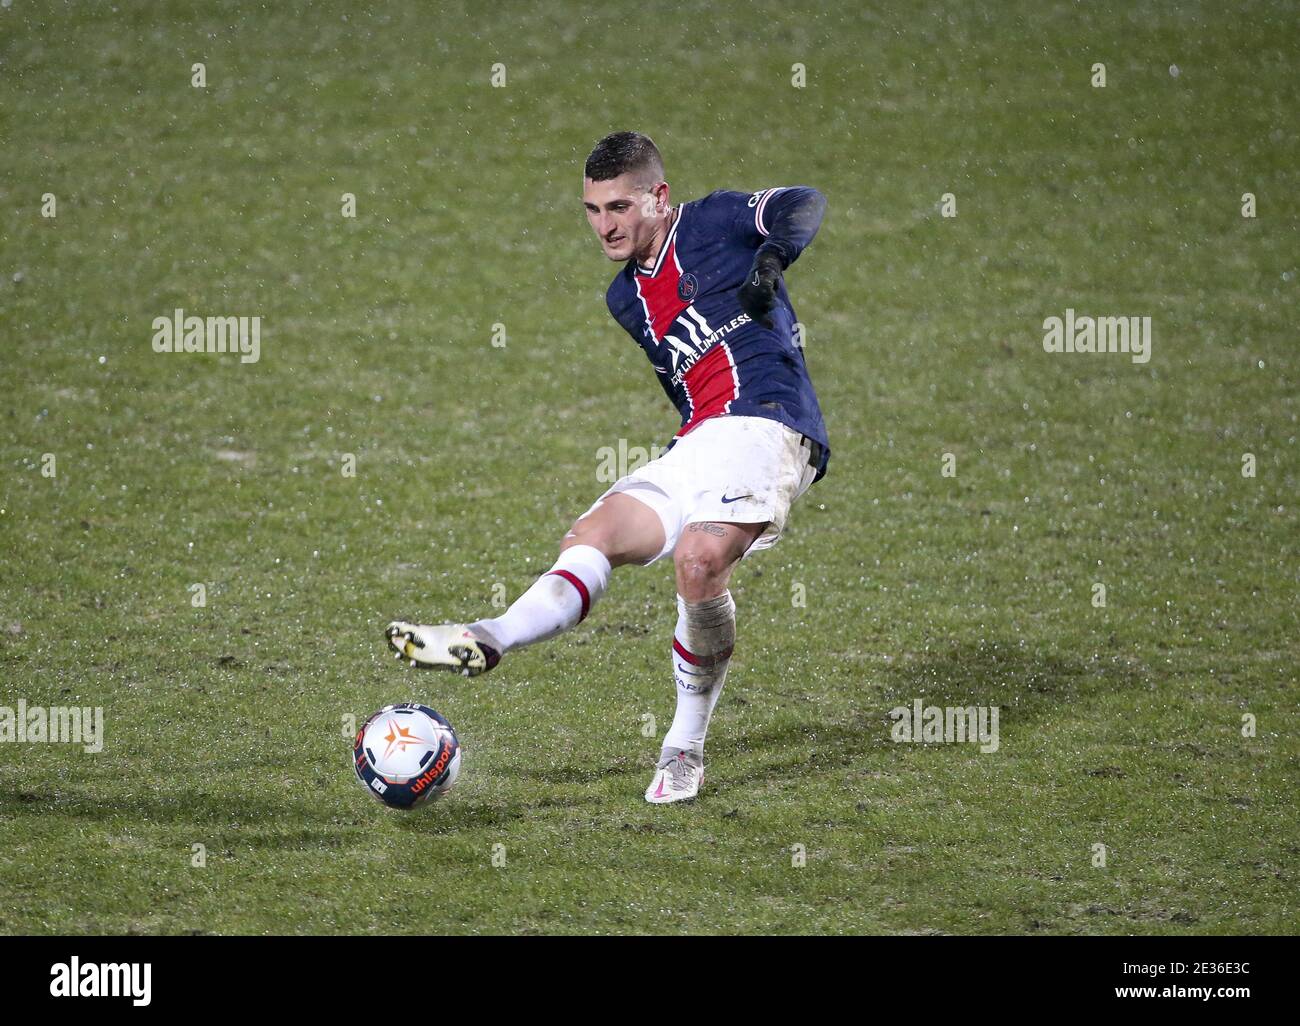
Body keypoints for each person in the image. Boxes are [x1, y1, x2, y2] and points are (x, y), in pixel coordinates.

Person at [386, 130, 830, 804]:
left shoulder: (711, 219)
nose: (605, 225)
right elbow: (685, 386)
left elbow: (803, 201)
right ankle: (489, 636)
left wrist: (770, 261)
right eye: (592, 211)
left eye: (619, 207)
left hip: (769, 420)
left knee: (698, 562)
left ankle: (683, 749)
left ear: (658, 196)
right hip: (701, 439)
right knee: (593, 535)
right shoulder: (626, 299)